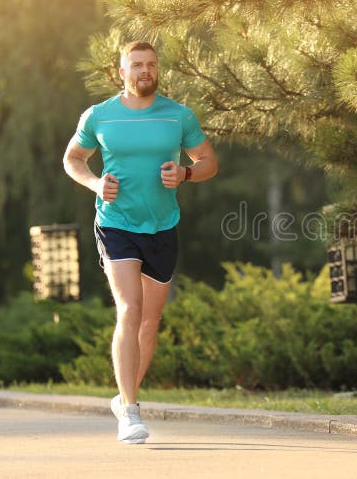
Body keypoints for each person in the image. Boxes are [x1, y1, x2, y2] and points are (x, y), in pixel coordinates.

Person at [62, 40, 218, 444]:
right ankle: (130, 412)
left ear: (157, 69)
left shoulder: (178, 115)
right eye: (136, 65)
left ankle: (125, 394)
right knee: (130, 309)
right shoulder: (99, 116)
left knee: (150, 320)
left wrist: (185, 174)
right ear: (121, 72)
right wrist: (96, 183)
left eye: (150, 64)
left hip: (162, 226)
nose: (144, 70)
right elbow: (73, 159)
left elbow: (208, 162)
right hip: (116, 223)